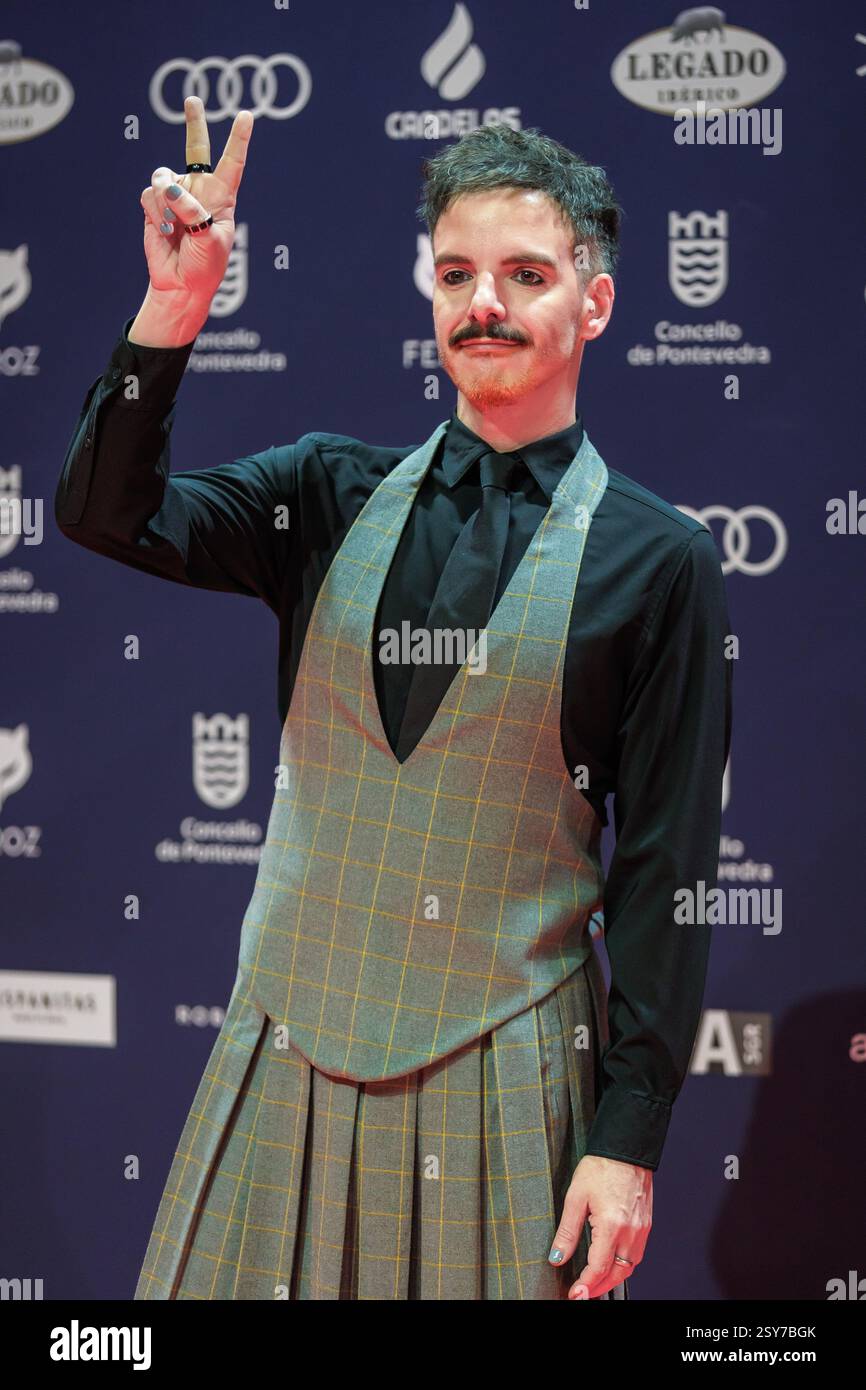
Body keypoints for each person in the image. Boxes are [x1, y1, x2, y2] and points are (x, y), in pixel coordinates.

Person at [55, 98, 733, 1301]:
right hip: (285, 1048)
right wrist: (174, 308)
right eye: (457, 272)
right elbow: (108, 514)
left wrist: (624, 1137)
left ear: (595, 302)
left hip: (508, 1074)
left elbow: (665, 873)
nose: (484, 303)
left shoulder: (658, 558)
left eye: (525, 274)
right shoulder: (321, 491)